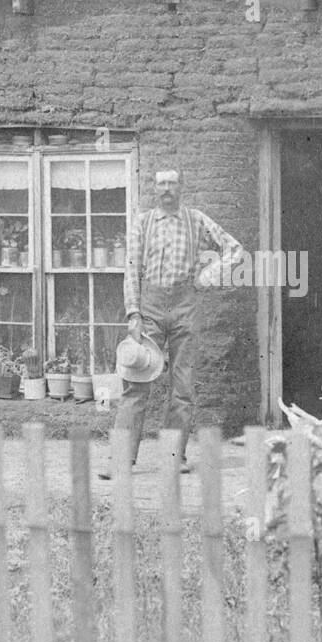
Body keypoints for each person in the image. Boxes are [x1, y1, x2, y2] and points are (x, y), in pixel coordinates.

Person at [101, 168, 243, 477]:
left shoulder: (196, 220)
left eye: (172, 183)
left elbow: (234, 250)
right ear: (155, 187)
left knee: (183, 387)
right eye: (161, 183)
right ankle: (120, 459)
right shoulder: (144, 223)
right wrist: (133, 314)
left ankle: (173, 456)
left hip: (184, 308)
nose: (167, 188)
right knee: (136, 383)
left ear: (182, 186)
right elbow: (131, 270)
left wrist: (207, 276)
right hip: (149, 308)